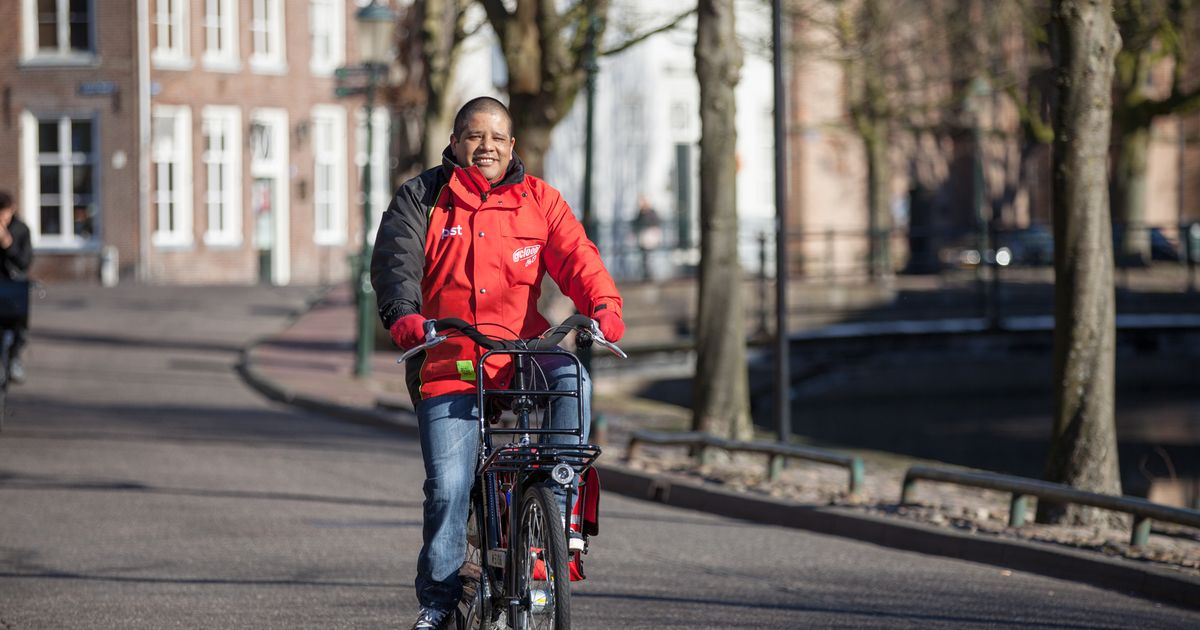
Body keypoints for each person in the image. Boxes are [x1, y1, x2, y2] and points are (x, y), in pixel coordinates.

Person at [370, 96, 625, 630]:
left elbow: (578, 257)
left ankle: (551, 512)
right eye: (473, 135)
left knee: (571, 376)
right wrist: (404, 315)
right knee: (448, 487)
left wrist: (603, 307)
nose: (485, 146)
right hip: (451, 359)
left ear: (512, 146)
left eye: (497, 137)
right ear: (456, 141)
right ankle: (438, 603)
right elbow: (397, 261)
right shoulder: (423, 197)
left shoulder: (540, 200)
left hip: (521, 353)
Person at [0, 191, 32, 383]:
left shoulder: (21, 230)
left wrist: (8, 243)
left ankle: (14, 360)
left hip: (14, 287)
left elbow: (24, 262)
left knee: (19, 325)